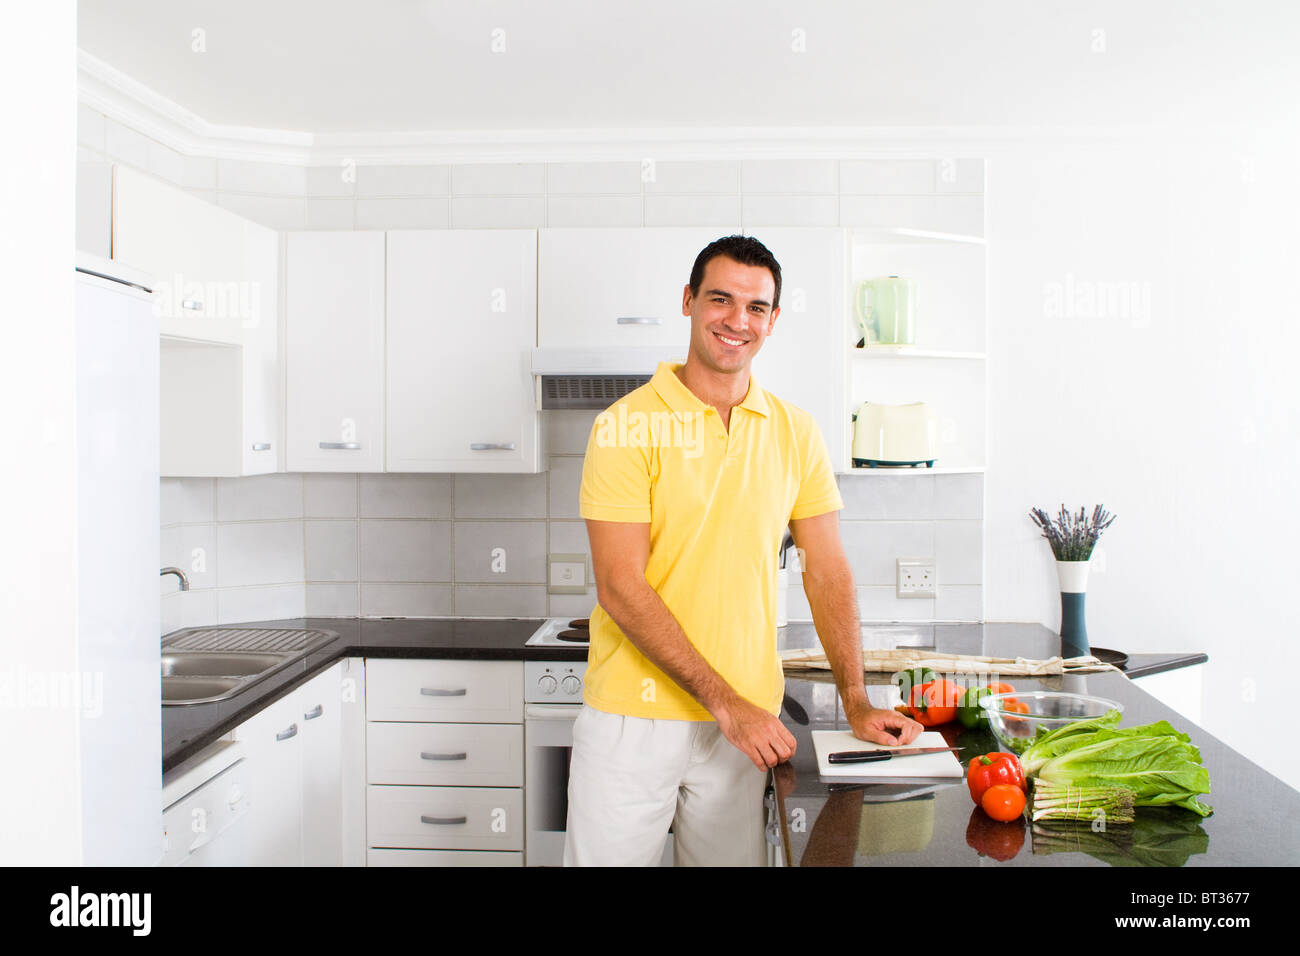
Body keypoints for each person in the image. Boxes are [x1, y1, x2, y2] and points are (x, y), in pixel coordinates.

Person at [563, 235, 923, 867]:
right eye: (721, 299)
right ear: (689, 301)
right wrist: (726, 704)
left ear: (773, 319)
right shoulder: (624, 426)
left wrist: (858, 701)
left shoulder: (795, 431)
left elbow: (828, 571)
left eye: (757, 307)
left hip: (743, 726)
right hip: (635, 718)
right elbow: (621, 584)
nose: (738, 320)